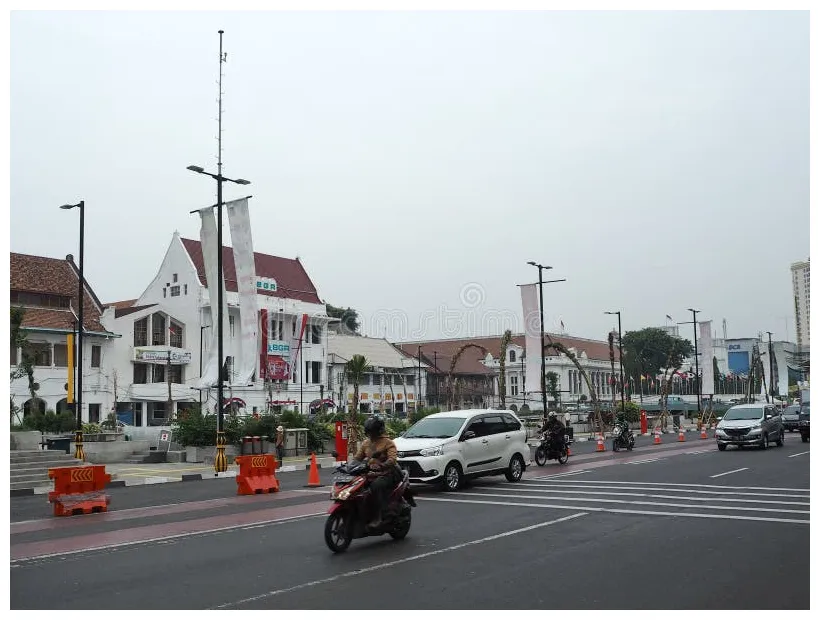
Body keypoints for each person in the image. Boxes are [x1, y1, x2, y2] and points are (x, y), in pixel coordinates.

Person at [353, 416, 399, 528]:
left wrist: (382, 465)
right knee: (356, 489)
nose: (370, 434)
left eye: (372, 431)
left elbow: (392, 459)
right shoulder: (365, 443)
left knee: (376, 486)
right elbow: (357, 459)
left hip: (387, 473)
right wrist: (348, 466)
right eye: (369, 432)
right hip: (370, 474)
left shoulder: (388, 443)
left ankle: (381, 514)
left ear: (378, 431)